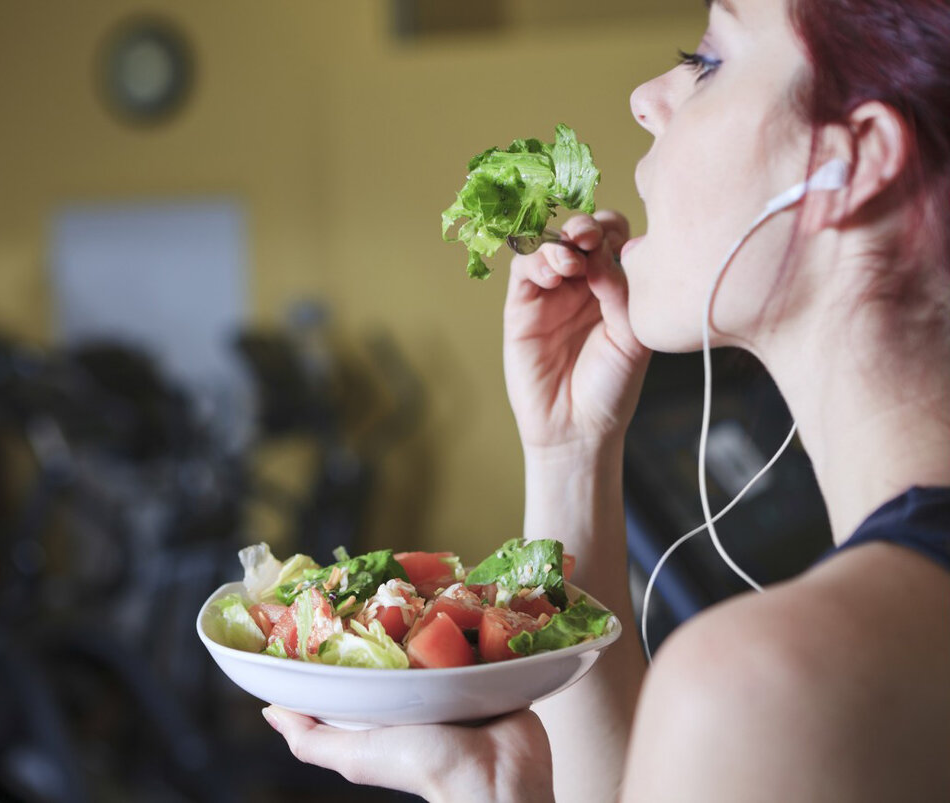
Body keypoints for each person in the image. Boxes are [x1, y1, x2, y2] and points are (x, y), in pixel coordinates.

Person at [260, 0, 950, 800]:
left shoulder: (767, 688)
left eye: (709, 62)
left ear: (857, 162)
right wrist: (572, 450)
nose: (646, 98)